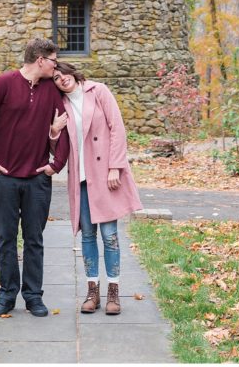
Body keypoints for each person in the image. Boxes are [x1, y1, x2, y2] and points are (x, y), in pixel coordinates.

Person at [0, 37, 70, 318]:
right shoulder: (3, 84)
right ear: (40, 60)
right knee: (6, 238)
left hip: (37, 179)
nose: (56, 66)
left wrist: (56, 166)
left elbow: (63, 127)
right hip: (3, 179)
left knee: (34, 239)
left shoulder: (51, 90)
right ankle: (6, 296)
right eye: (53, 61)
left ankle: (33, 297)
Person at [50, 61, 142, 316]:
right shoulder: (61, 106)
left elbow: (117, 129)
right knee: (88, 236)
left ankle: (114, 292)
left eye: (63, 73)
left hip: (105, 175)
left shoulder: (98, 91)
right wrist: (54, 132)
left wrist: (115, 167)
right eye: (56, 79)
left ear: (72, 71)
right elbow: (58, 149)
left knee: (110, 236)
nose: (61, 79)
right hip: (81, 178)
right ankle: (93, 292)